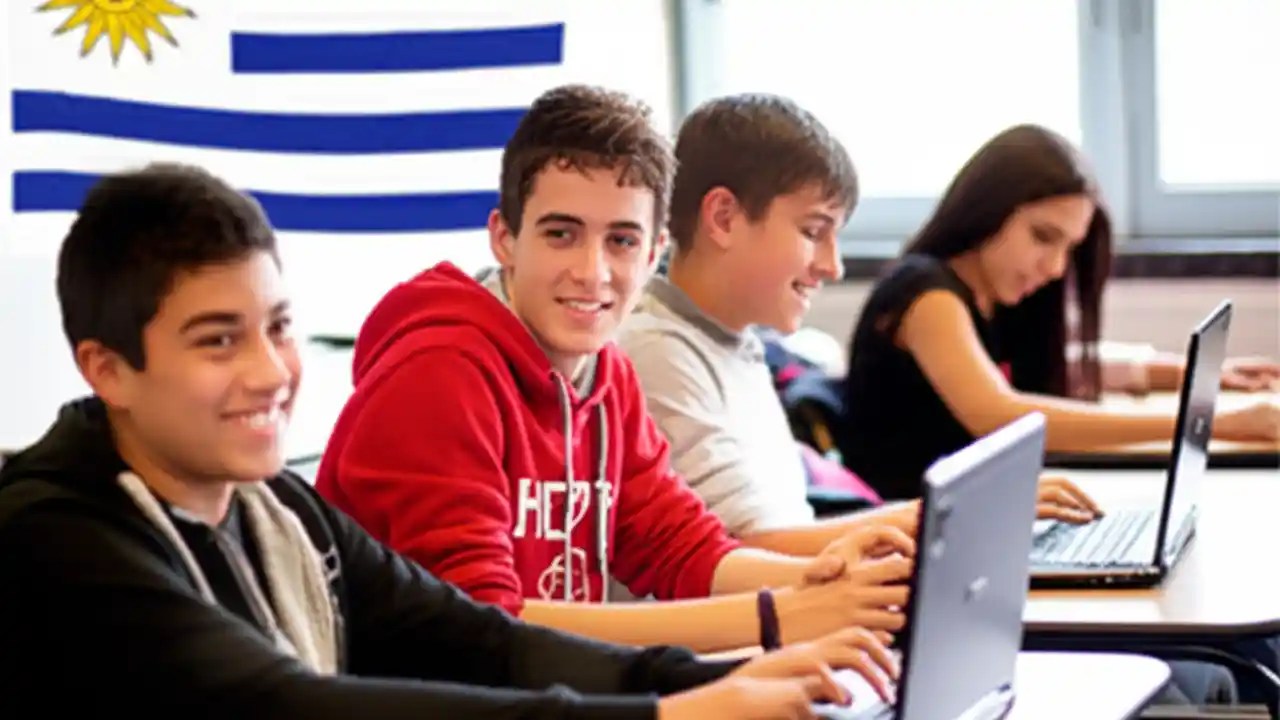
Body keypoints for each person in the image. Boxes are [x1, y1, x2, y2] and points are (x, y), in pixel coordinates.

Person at [0, 163, 901, 718]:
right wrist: (676, 712)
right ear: (107, 369)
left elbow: (475, 638)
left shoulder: (274, 504)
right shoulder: (56, 536)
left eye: (277, 328)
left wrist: (713, 678)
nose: (271, 373)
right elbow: (288, 705)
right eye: (217, 341)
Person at [314, 84, 914, 654]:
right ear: (504, 239)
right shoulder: (437, 375)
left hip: (554, 692)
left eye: (621, 241)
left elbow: (684, 549)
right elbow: (483, 627)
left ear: (653, 252)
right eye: (561, 234)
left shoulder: (607, 373)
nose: (592, 272)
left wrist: (822, 579)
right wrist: (776, 615)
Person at [617, 95, 1101, 560]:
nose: (833, 266)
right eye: (813, 232)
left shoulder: (734, 342)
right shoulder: (660, 353)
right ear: (723, 218)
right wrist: (971, 513)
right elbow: (750, 548)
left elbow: (778, 532)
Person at [835, 123, 1280, 501]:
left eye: (1068, 247)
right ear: (986, 211)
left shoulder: (990, 296)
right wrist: (1211, 421)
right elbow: (999, 413)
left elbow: (1051, 361)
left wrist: (1190, 376)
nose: (1054, 268)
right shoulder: (927, 295)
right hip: (907, 529)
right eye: (1043, 237)